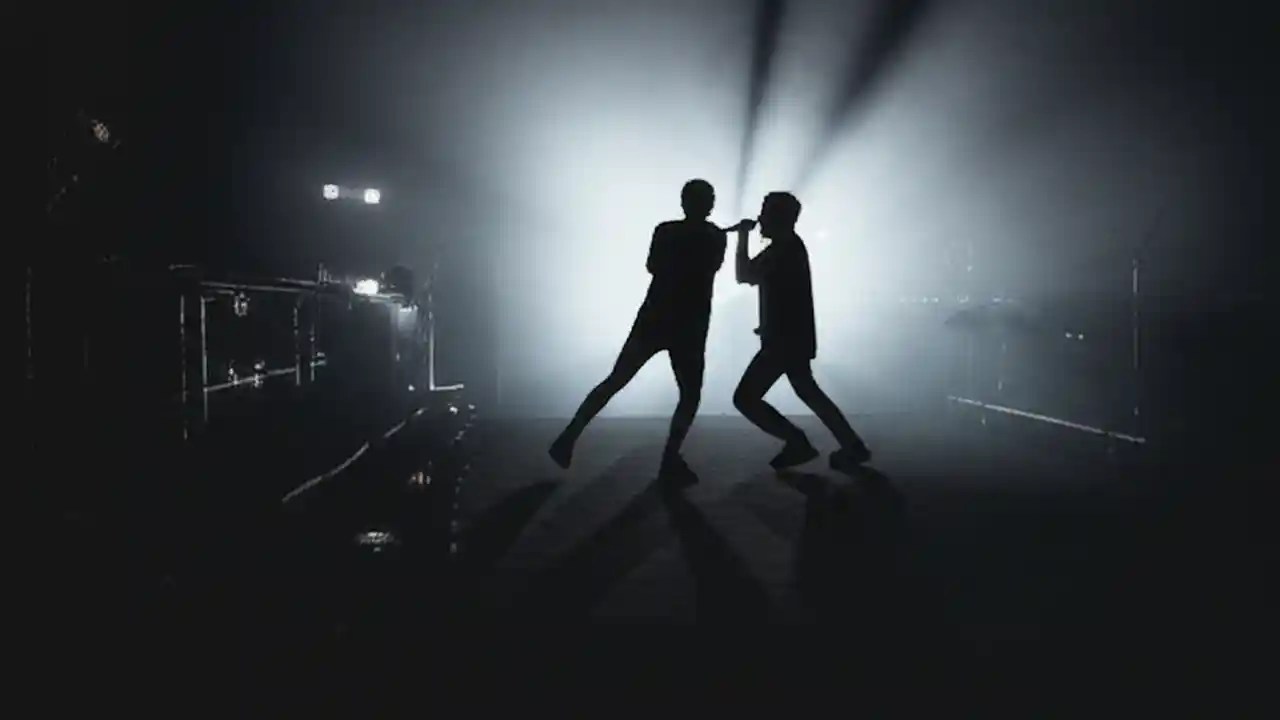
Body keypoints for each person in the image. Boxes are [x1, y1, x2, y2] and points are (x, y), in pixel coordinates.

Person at [549, 179, 742, 483]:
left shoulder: (666, 230)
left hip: (654, 316)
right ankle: (669, 459)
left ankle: (569, 436)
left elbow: (653, 266)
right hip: (689, 324)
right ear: (708, 205)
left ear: (683, 202)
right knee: (690, 395)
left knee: (617, 379)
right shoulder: (715, 237)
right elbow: (711, 267)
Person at [731, 191, 872, 473]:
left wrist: (742, 237)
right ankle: (851, 446)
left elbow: (744, 275)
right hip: (793, 337)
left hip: (781, 341)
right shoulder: (790, 246)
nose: (761, 219)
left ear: (777, 217)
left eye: (765, 213)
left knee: (745, 398)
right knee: (808, 391)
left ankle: (798, 441)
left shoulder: (781, 250)